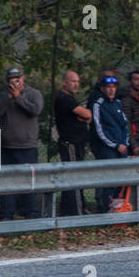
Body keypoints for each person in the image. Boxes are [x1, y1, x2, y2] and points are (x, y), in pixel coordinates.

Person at [0, 68, 45, 220]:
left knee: (29, 184)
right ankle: (6, 216)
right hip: (7, 148)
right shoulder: (1, 96)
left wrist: (19, 97)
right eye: (11, 79)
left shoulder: (34, 93)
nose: (15, 82)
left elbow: (36, 110)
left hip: (27, 147)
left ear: (23, 78)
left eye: (17, 78)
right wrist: (9, 98)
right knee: (7, 185)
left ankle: (31, 215)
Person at [89, 74, 129, 213]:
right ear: (102, 89)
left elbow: (125, 125)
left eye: (113, 87)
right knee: (109, 182)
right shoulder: (98, 105)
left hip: (122, 149)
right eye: (108, 87)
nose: (111, 90)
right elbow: (99, 129)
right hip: (108, 150)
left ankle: (120, 209)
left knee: (121, 181)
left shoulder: (118, 104)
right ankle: (106, 209)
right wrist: (115, 145)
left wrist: (125, 143)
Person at [53, 69, 91, 216]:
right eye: (73, 81)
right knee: (73, 177)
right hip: (71, 144)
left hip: (78, 143)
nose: (76, 85)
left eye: (77, 82)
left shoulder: (71, 99)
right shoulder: (64, 98)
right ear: (64, 82)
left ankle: (69, 211)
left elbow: (85, 116)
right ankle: (76, 212)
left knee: (76, 177)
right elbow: (87, 114)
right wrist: (83, 116)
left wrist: (82, 116)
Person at [122, 70, 139, 149]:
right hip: (134, 141)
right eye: (136, 79)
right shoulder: (126, 99)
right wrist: (134, 145)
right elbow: (127, 123)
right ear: (130, 82)